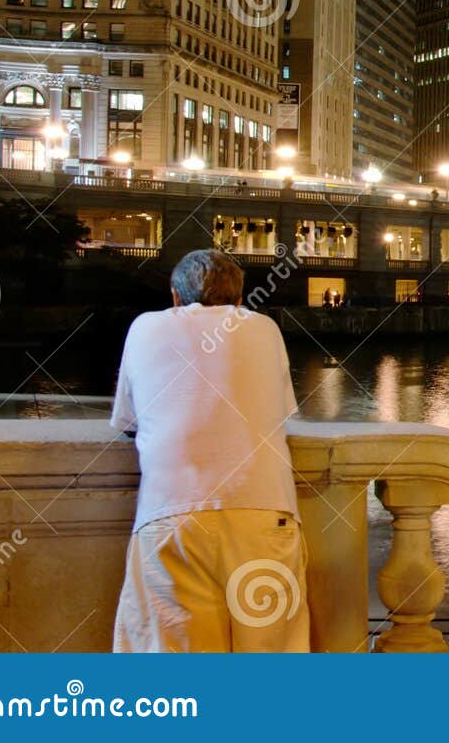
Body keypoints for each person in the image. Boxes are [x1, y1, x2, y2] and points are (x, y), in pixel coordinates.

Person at [110, 249, 308, 652]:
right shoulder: (264, 328)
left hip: (170, 515)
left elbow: (128, 423)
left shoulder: (143, 328)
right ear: (239, 300)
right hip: (264, 513)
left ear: (175, 296)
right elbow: (281, 412)